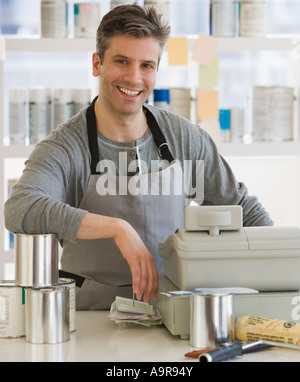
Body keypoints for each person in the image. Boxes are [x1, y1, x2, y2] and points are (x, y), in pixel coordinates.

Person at [4, 5, 273, 310]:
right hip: (91, 323)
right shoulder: (67, 146)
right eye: (122, 61)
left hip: (171, 317)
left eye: (146, 65)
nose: (134, 78)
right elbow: (19, 209)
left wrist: (282, 271)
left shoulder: (184, 139)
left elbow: (244, 211)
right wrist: (118, 228)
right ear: (97, 64)